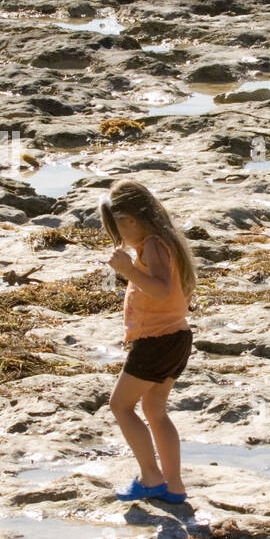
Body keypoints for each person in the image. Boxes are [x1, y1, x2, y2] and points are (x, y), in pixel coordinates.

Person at [100, 180, 197, 502]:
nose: (120, 237)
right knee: (154, 408)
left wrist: (128, 269)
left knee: (120, 406)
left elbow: (160, 289)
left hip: (158, 341)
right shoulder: (163, 242)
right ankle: (174, 486)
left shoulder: (154, 245)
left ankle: (151, 478)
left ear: (133, 219)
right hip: (176, 337)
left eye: (119, 228)